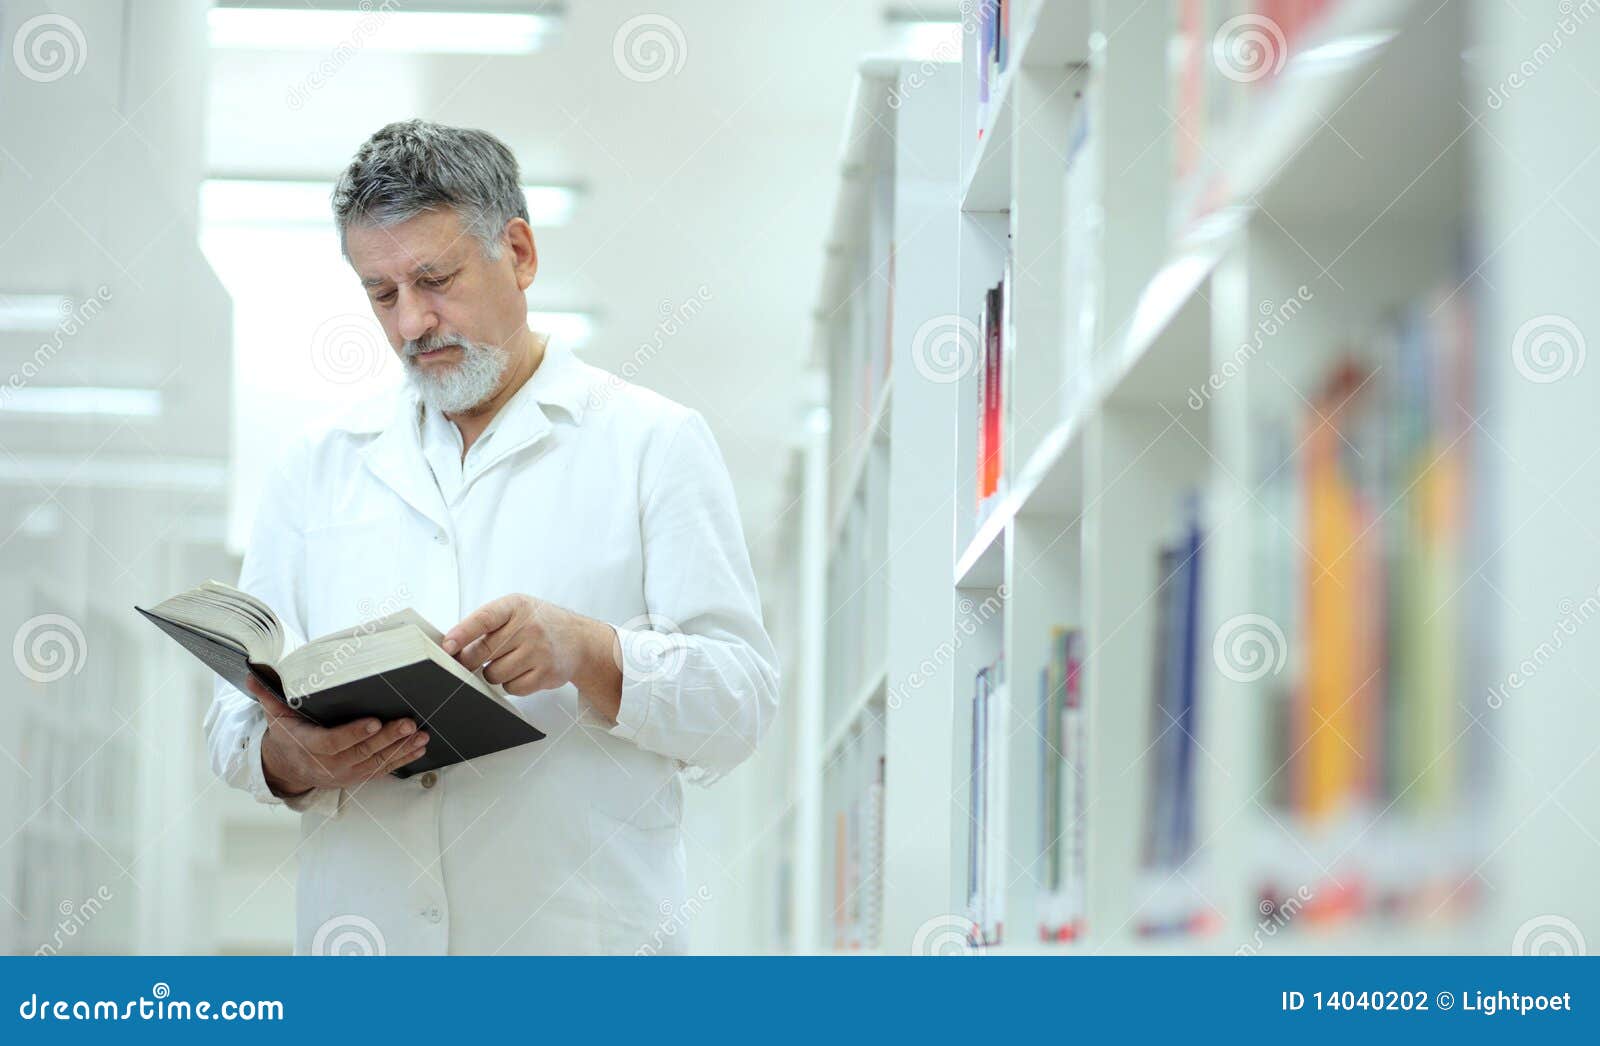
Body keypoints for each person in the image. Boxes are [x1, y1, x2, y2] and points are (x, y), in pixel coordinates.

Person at [202, 119, 779, 955]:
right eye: (381, 293)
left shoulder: (653, 441)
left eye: (435, 279)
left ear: (519, 253)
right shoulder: (315, 466)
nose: (411, 323)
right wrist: (297, 761)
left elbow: (743, 703)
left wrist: (592, 653)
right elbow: (231, 725)